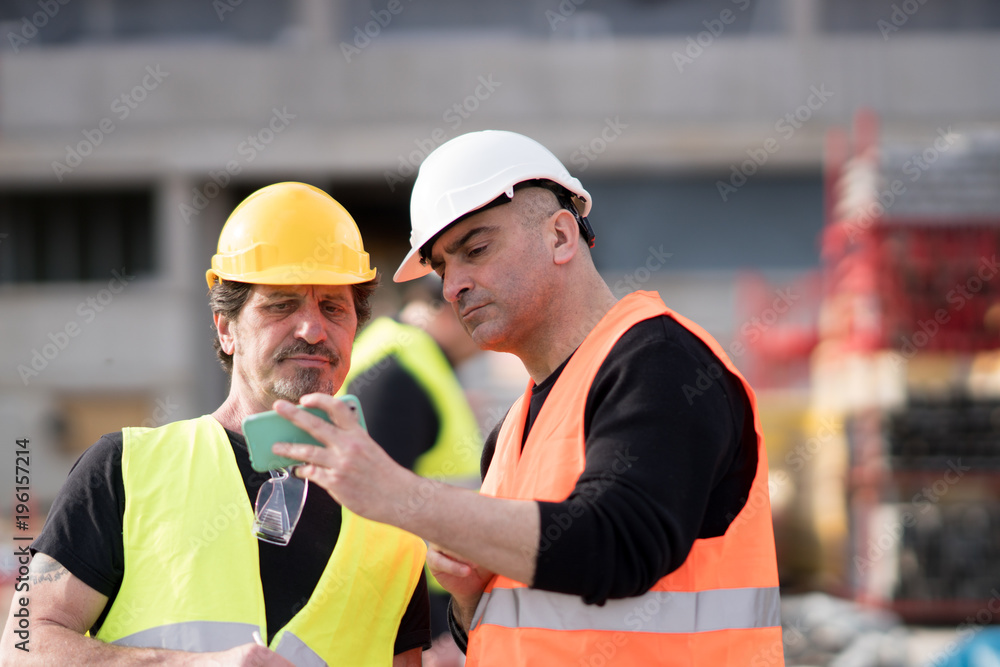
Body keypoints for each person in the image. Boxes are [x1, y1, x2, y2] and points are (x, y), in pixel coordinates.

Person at [265, 131, 785, 666]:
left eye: (477, 249)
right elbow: (520, 625)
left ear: (561, 236)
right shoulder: (514, 429)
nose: (452, 287)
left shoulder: (663, 362)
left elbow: (619, 545)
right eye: (443, 267)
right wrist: (470, 597)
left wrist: (401, 496)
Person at [0, 182, 430, 666]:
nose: (313, 329)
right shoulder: (126, 469)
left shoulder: (393, 515)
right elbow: (24, 649)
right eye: (281, 305)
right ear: (226, 329)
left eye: (333, 307)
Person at [340, 275, 482, 666]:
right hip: (416, 608)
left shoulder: (417, 359)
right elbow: (375, 514)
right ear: (442, 312)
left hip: (433, 599)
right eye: (468, 305)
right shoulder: (398, 369)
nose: (480, 322)